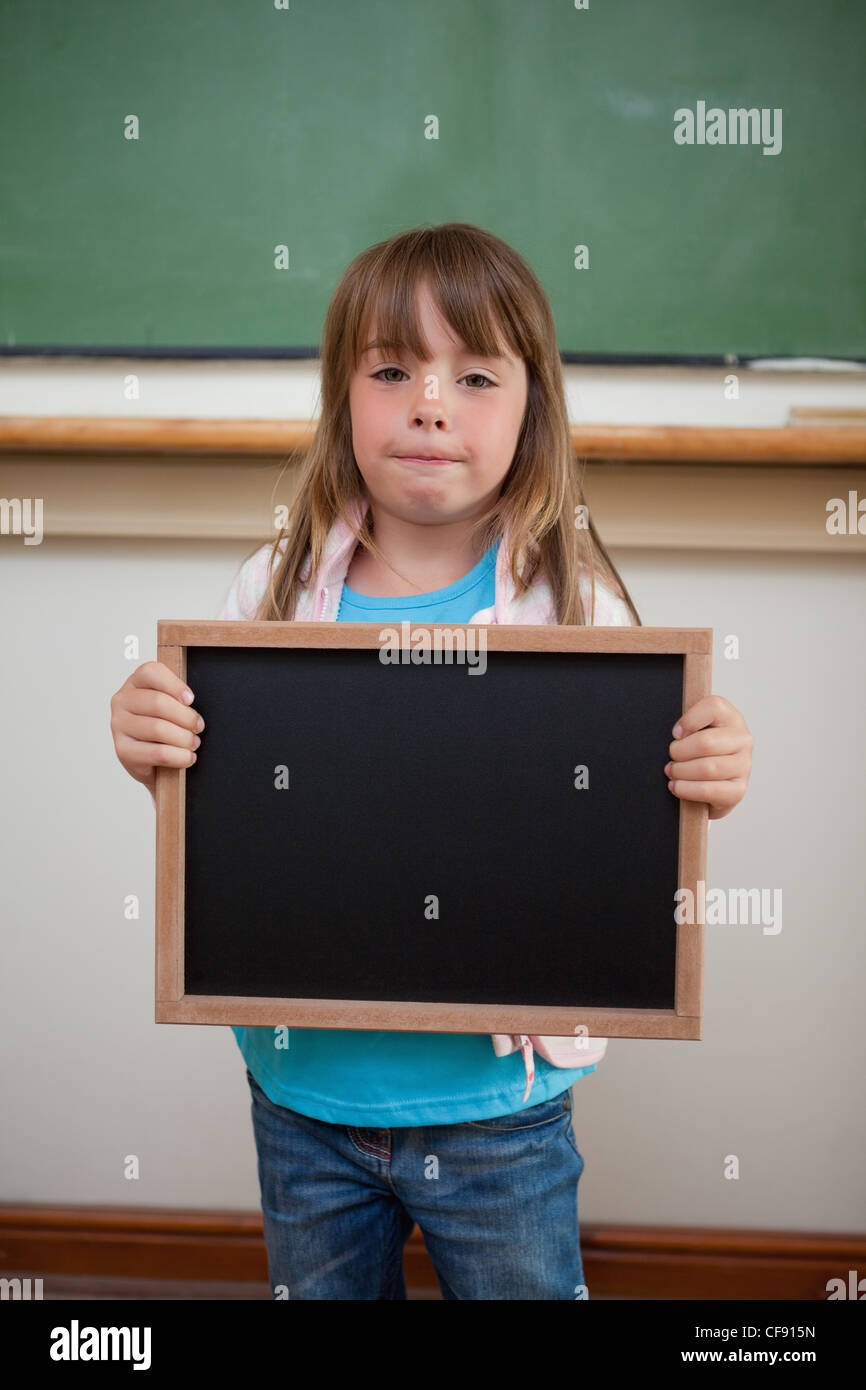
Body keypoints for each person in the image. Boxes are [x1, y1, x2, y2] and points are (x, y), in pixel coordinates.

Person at [110, 222, 754, 1299]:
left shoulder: (578, 606)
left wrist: (712, 769)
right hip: (303, 1093)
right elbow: (204, 782)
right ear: (342, 397)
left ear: (530, 406)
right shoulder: (271, 593)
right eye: (392, 368)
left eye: (473, 374)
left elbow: (647, 800)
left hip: (499, 1108)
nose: (429, 403)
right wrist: (147, 739)